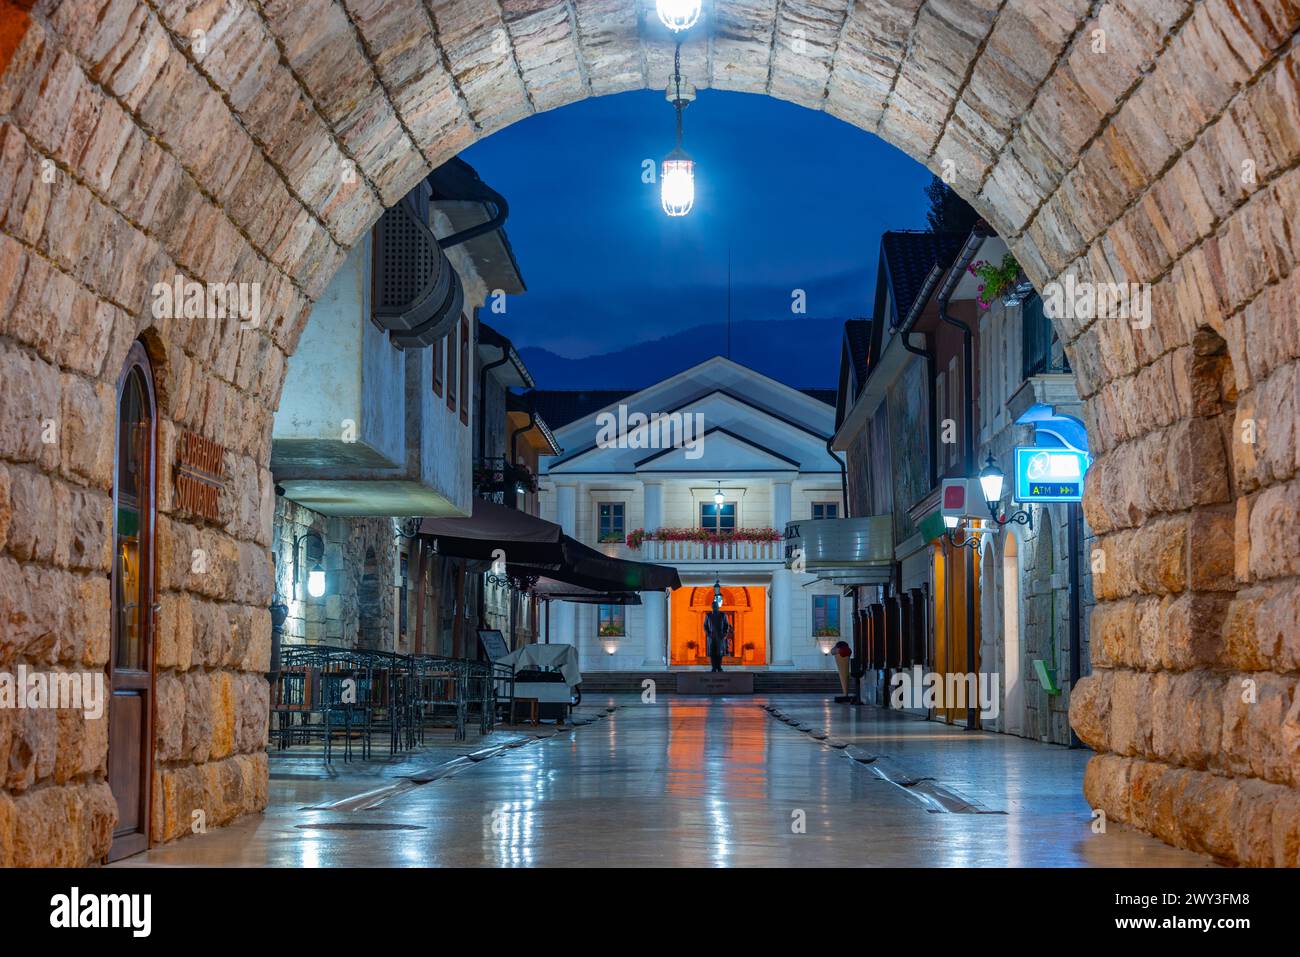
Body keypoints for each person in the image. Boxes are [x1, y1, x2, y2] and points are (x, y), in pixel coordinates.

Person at [703, 598, 732, 673]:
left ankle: (719, 667)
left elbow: (726, 625)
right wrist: (708, 633)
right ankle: (713, 667)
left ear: (718, 607)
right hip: (711, 637)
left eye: (715, 606)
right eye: (713, 606)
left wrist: (724, 634)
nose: (714, 607)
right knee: (712, 653)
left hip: (720, 637)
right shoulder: (708, 615)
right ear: (712, 607)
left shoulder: (723, 615)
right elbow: (705, 625)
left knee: (719, 653)